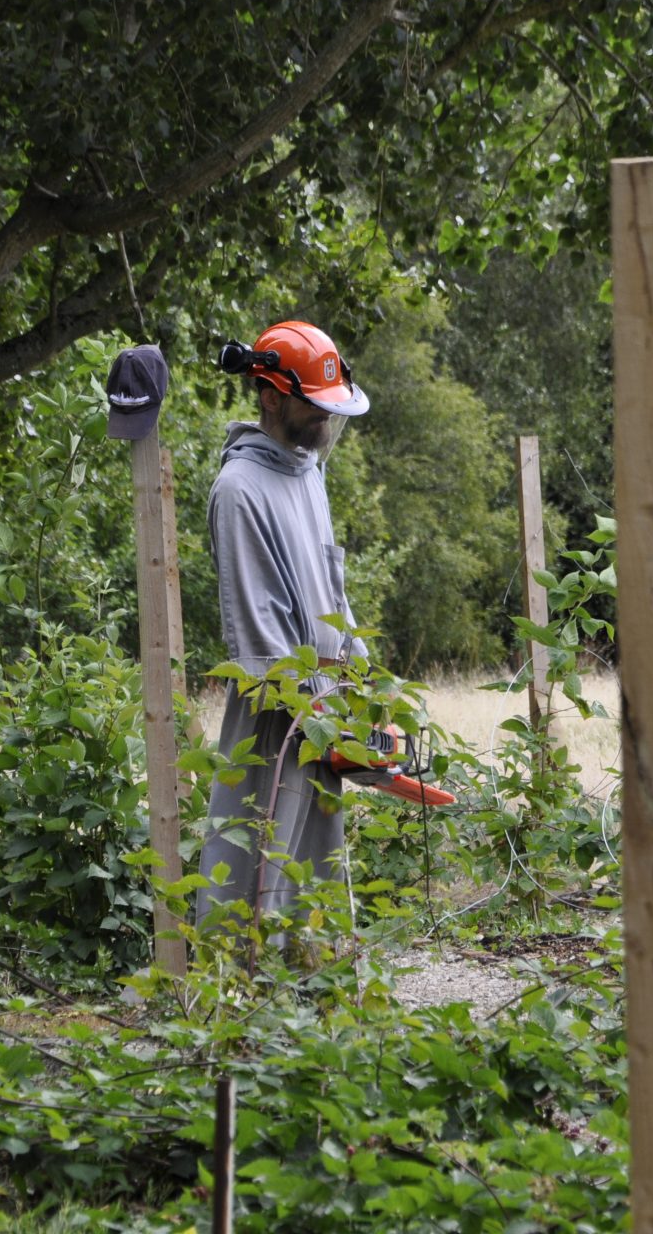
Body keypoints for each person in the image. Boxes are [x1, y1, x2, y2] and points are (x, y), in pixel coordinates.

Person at [195, 320, 369, 921]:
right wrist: (313, 712)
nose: (326, 423)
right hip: (277, 712)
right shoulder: (239, 489)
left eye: (331, 409)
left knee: (317, 869)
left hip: (322, 703)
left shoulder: (309, 472)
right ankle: (235, 987)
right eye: (315, 409)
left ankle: (313, 984)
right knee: (256, 854)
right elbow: (258, 635)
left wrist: (357, 685)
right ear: (270, 396)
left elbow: (330, 586)